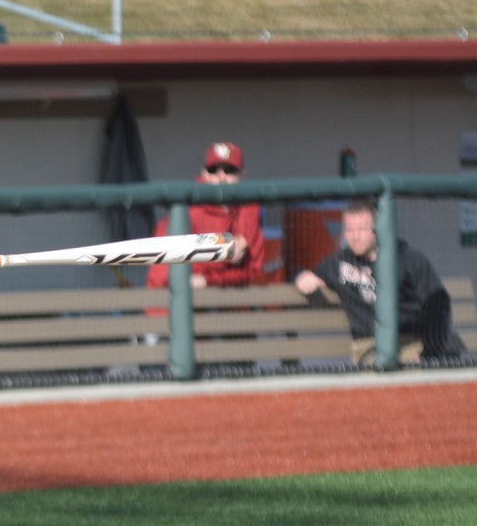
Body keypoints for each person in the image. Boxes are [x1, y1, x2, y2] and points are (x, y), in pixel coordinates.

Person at [293, 198, 466, 365]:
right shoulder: (340, 262)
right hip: (369, 345)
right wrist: (303, 277)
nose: (355, 237)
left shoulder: (409, 259)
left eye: (361, 229)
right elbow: (309, 276)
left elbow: (438, 304)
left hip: (413, 340)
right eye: (349, 229)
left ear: (378, 228)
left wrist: (429, 353)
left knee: (440, 368)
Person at [145, 142, 262, 290]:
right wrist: (222, 255)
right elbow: (162, 264)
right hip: (168, 300)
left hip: (225, 300)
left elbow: (252, 271)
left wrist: (208, 278)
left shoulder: (249, 208)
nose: (221, 177)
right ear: (204, 173)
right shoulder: (187, 207)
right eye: (214, 170)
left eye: (229, 170)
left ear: (242, 173)